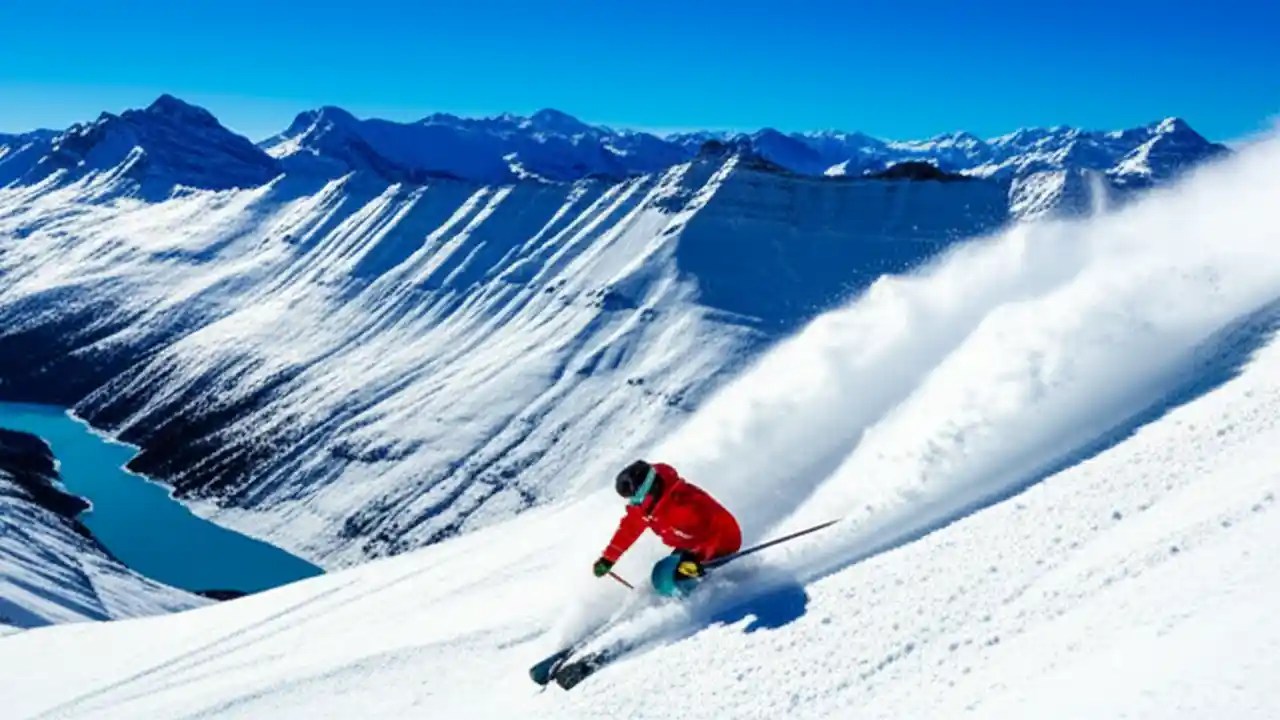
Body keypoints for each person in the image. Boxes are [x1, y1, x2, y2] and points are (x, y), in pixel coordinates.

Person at [592, 460, 742, 597]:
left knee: (676, 576)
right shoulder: (648, 505)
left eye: (636, 498)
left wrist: (695, 559)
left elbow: (713, 532)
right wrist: (608, 559)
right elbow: (630, 527)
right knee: (662, 574)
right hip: (693, 544)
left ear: (650, 489)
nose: (634, 503)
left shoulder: (683, 507)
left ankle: (709, 598)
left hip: (723, 542)